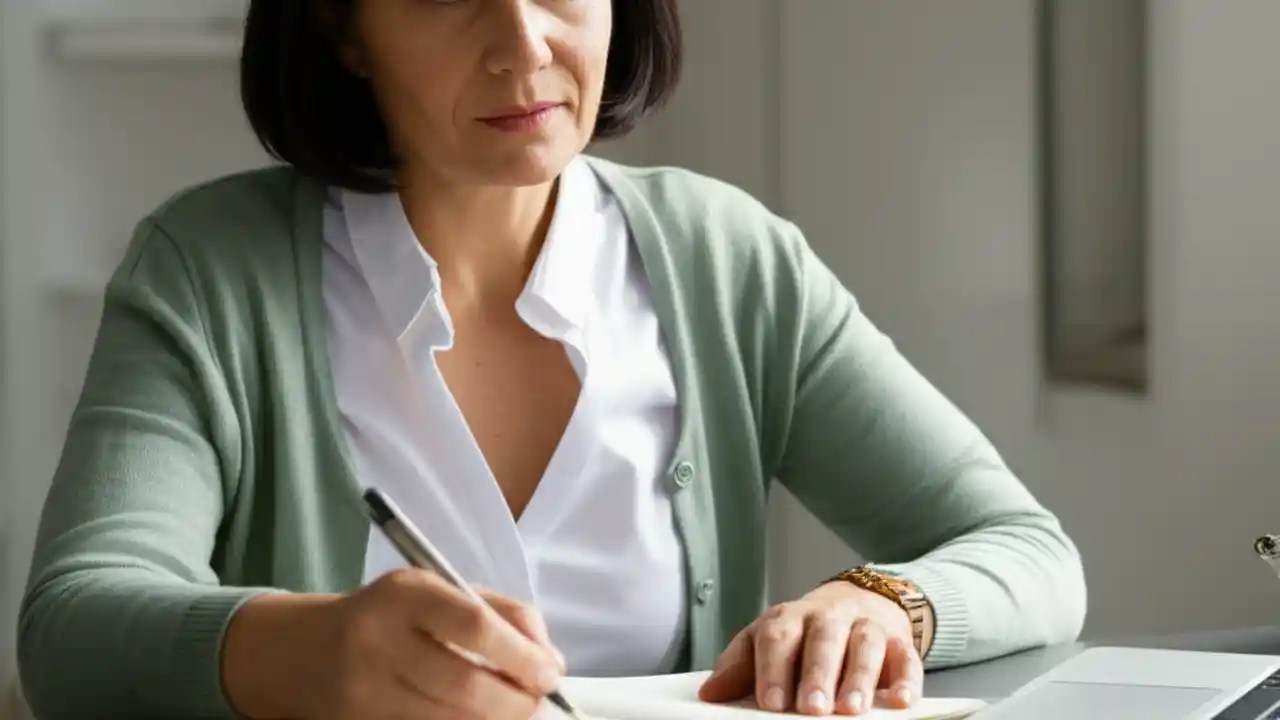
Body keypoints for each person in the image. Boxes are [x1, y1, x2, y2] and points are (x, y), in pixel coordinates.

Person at [17, 0, 1087, 718]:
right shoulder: (206, 270)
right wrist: (320, 650)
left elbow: (1025, 551)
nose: (523, 43)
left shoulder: (730, 259)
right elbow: (72, 626)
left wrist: (878, 602)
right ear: (344, 29)